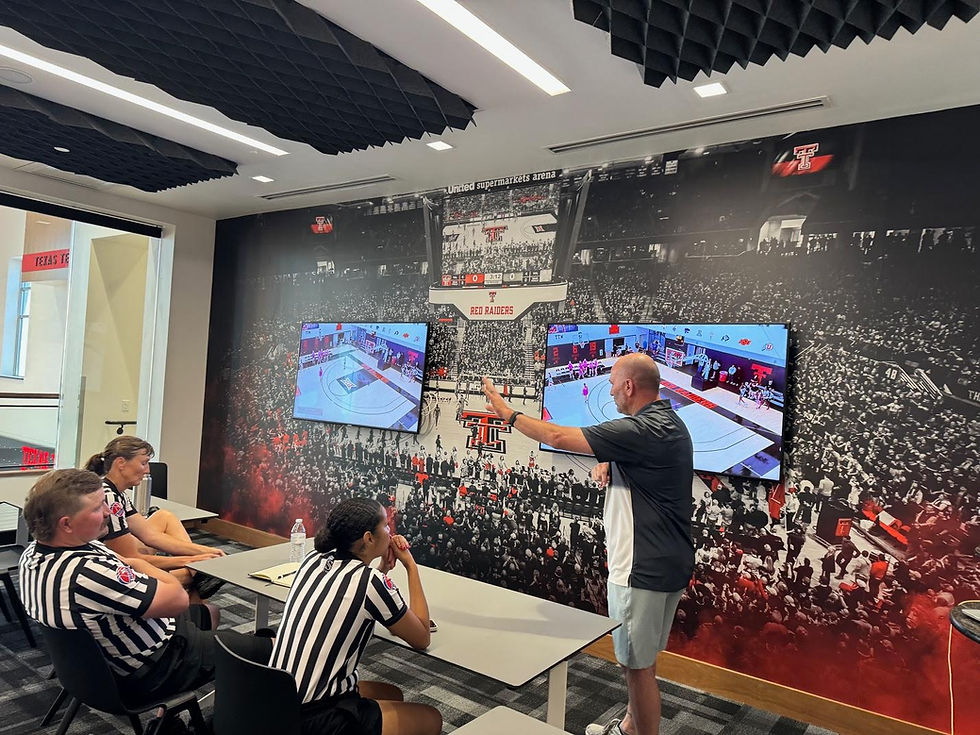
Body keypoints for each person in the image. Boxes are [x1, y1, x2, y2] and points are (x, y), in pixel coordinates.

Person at [483, 352, 693, 735]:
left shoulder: (639, 430)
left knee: (636, 667)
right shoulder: (668, 424)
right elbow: (648, 469)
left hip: (639, 567)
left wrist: (506, 412)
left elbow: (557, 436)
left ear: (629, 385)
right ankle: (630, 726)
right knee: (642, 657)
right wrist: (610, 462)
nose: (610, 389)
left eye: (613, 382)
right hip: (670, 561)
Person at [18, 469, 269, 707]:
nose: (107, 512)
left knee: (209, 612)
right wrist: (138, 563)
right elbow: (178, 599)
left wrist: (133, 566)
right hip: (154, 668)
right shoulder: (87, 573)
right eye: (97, 508)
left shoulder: (34, 554)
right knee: (268, 649)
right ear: (66, 524)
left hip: (95, 670)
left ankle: (175, 707)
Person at [269, 497, 441, 735]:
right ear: (369, 538)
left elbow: (358, 599)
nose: (391, 532)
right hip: (315, 718)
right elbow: (422, 637)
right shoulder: (371, 582)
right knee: (431, 718)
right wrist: (411, 566)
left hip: (275, 697)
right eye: (386, 526)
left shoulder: (312, 560)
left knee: (393, 695)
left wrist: (384, 567)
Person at [84, 436, 226, 597]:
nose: (147, 470)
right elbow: (130, 558)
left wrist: (206, 552)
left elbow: (151, 536)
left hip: (117, 555)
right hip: (110, 569)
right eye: (143, 463)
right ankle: (194, 592)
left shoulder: (118, 493)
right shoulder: (109, 497)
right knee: (190, 576)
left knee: (165, 516)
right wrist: (191, 561)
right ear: (120, 463)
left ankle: (197, 577)